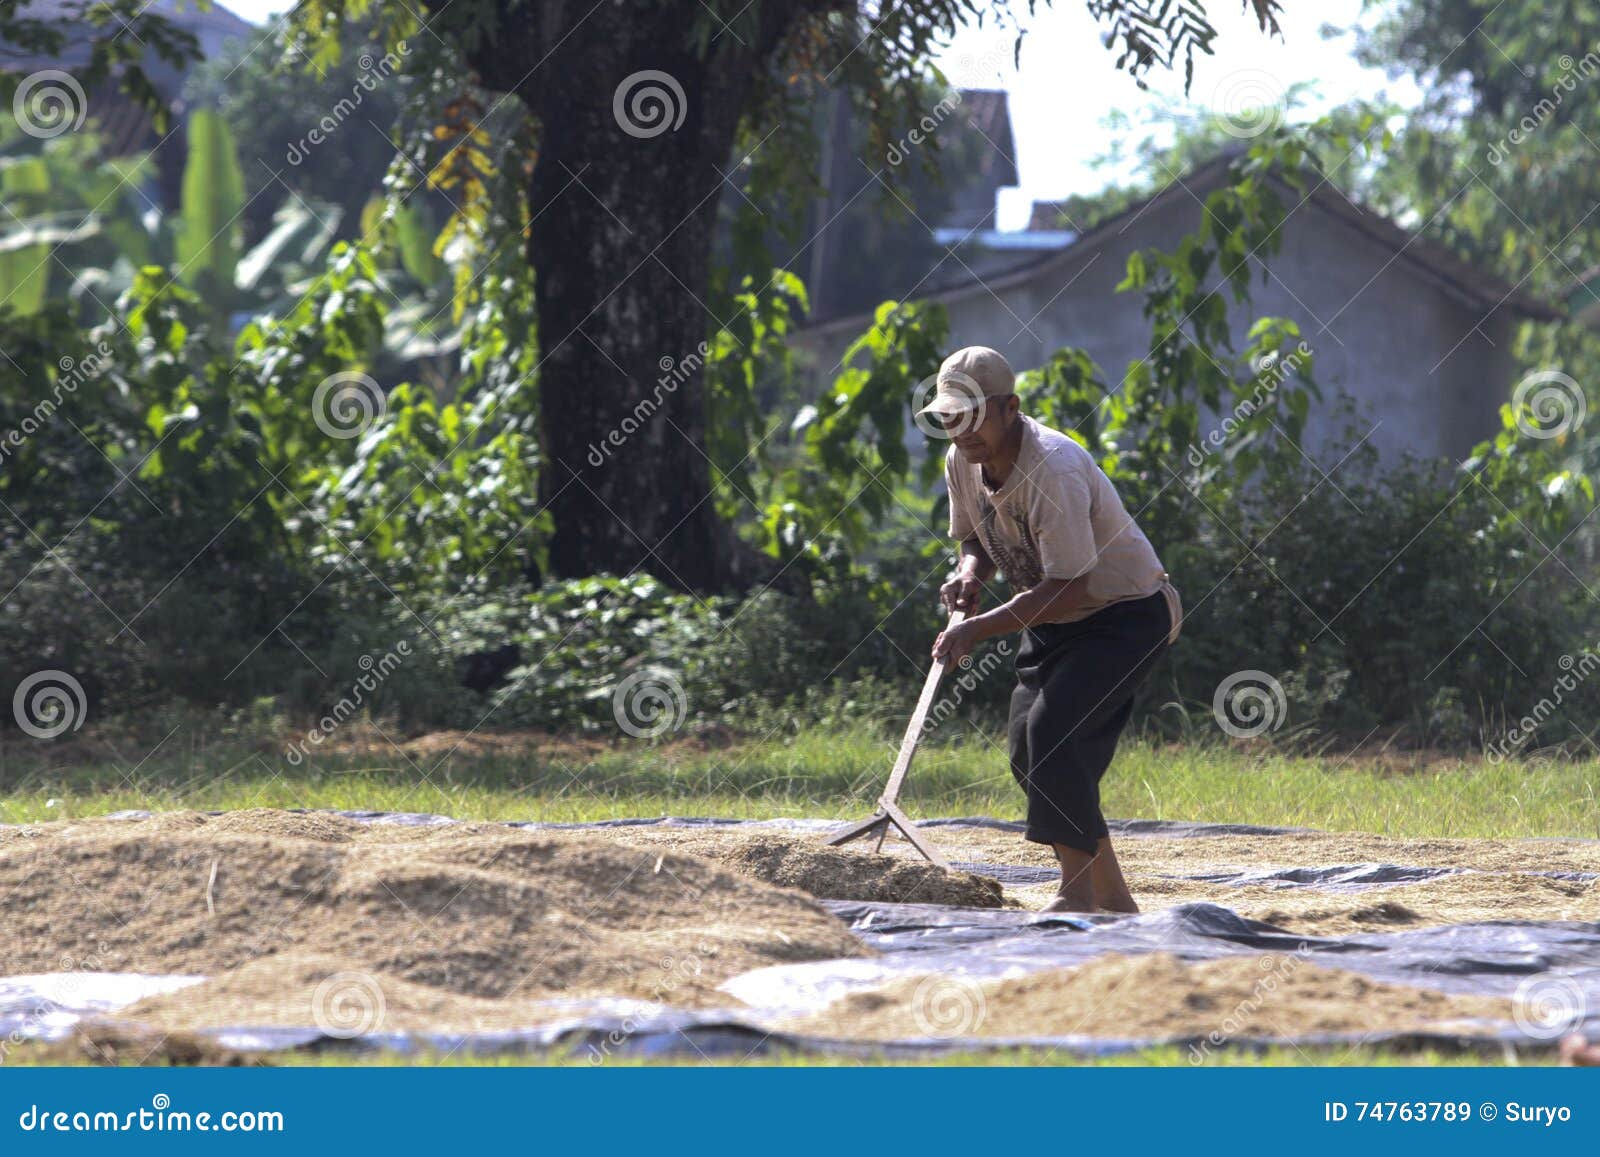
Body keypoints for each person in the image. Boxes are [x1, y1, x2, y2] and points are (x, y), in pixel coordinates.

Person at [925, 346, 1181, 915]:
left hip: (1123, 614)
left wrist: (983, 627)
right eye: (948, 415)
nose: (958, 428)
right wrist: (968, 577)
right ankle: (1111, 897)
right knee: (1027, 750)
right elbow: (975, 538)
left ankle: (1075, 896)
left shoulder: (1054, 469)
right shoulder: (960, 459)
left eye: (971, 414)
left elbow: (1074, 586)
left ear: (1010, 408)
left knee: (1054, 739)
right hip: (1051, 615)